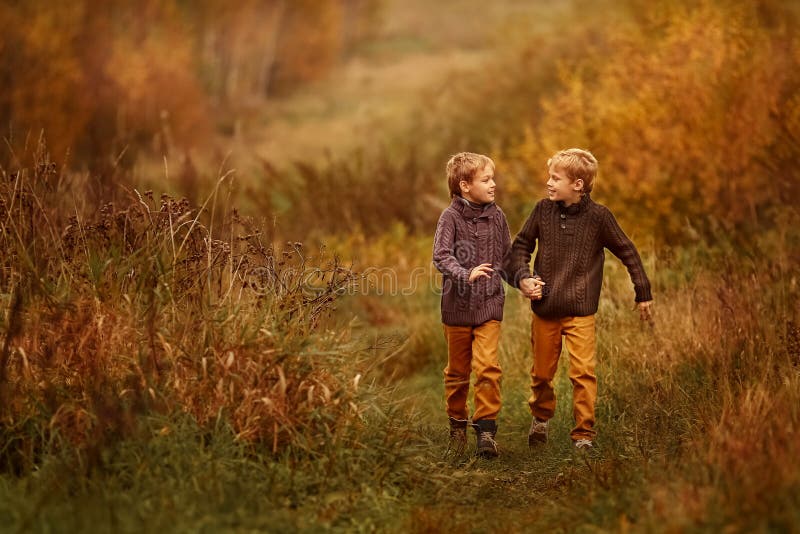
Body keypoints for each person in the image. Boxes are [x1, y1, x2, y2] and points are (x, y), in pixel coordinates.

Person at [505, 148, 653, 450]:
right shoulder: (541, 211)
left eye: (555, 178)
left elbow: (628, 251)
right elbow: (520, 246)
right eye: (549, 176)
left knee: (583, 372)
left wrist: (643, 293)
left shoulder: (599, 218)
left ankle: (583, 435)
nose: (548, 183)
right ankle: (541, 418)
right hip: (545, 309)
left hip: (580, 312)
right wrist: (523, 278)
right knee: (542, 374)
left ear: (578, 185)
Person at [433, 152, 511, 458]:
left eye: (493, 178)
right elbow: (440, 255)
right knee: (457, 372)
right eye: (486, 179)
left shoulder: (498, 216)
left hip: (490, 306)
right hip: (457, 310)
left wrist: (526, 281)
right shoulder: (449, 217)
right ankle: (457, 425)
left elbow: (507, 259)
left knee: (488, 367)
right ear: (465, 185)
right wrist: (466, 274)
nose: (493, 184)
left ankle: (486, 431)